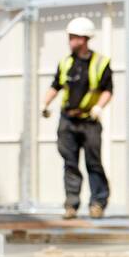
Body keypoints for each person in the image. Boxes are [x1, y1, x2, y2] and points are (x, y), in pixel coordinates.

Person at [41, 16, 112, 218]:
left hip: (89, 121)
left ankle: (98, 203)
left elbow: (108, 89)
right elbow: (56, 85)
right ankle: (71, 205)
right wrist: (44, 103)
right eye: (70, 37)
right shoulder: (65, 62)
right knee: (70, 162)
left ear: (84, 39)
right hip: (68, 120)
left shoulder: (101, 62)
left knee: (93, 163)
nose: (70, 41)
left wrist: (99, 107)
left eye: (73, 37)